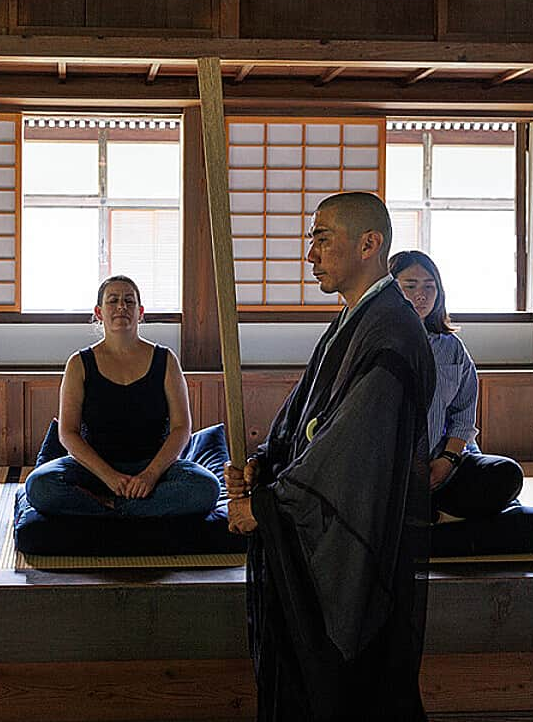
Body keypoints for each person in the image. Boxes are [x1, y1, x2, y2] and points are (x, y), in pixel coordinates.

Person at [226, 192, 435, 721]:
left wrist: (271, 505)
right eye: (310, 239)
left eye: (322, 237)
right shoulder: (356, 318)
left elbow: (353, 446)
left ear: (370, 243)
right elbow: (305, 412)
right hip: (319, 507)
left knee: (345, 687)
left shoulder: (392, 330)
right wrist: (265, 462)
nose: (310, 253)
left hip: (353, 533)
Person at [24, 275, 220, 517]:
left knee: (207, 488)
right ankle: (137, 512)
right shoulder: (79, 363)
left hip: (153, 468)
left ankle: (113, 510)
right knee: (39, 486)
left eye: (129, 301)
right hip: (94, 469)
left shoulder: (166, 360)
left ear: (140, 312)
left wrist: (150, 476)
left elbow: (181, 428)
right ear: (99, 312)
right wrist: (110, 477)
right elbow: (68, 433)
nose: (121, 307)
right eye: (113, 301)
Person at [389, 250, 524, 519]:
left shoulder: (451, 348)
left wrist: (447, 461)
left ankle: (430, 511)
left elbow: (463, 414)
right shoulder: (378, 341)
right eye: (410, 286)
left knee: (507, 474)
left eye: (430, 286)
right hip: (390, 466)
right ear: (391, 290)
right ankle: (430, 512)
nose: (422, 295)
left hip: (444, 462)